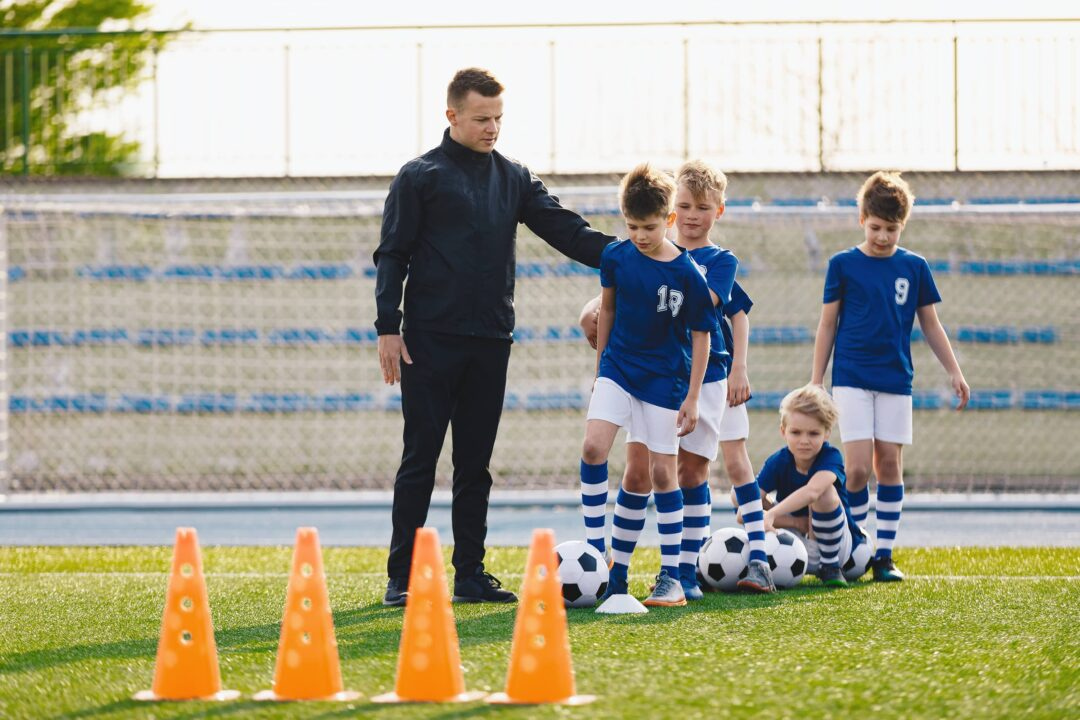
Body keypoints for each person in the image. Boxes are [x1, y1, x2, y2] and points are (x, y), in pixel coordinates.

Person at [374, 67, 616, 606]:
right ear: (452, 116)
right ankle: (403, 576)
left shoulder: (515, 178)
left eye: (499, 118)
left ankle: (469, 575)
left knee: (475, 463)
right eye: (482, 119)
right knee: (420, 457)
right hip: (428, 340)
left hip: (490, 339)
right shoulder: (419, 176)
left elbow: (565, 229)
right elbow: (392, 254)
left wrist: (630, 255)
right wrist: (388, 327)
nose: (492, 128)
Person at [579, 161, 775, 597]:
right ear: (672, 209)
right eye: (684, 204)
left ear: (717, 211)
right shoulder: (632, 252)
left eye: (701, 207)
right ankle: (614, 568)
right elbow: (620, 295)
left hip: (701, 378)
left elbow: (724, 313)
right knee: (637, 472)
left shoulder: (713, 264)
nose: (691, 214)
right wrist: (592, 311)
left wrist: (740, 366)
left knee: (691, 473)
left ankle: (687, 570)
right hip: (651, 372)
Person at [811, 172, 970, 582]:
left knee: (889, 465)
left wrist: (954, 371)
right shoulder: (842, 265)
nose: (883, 237)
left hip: (896, 380)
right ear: (861, 218)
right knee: (859, 467)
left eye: (892, 230)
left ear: (903, 225)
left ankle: (883, 556)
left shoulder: (914, 267)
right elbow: (828, 325)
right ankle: (852, 549)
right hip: (851, 378)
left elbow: (931, 325)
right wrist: (817, 379)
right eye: (876, 227)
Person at [580, 163, 717, 608]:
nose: (640, 235)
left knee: (661, 473)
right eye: (632, 226)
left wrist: (693, 396)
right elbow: (609, 312)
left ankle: (672, 576)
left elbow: (702, 335)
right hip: (618, 368)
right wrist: (602, 370)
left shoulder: (688, 273)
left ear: (669, 221)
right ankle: (598, 556)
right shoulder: (616, 257)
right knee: (593, 448)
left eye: (650, 227)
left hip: (664, 380)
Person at [748, 384, 863, 587]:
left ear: (827, 433)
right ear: (783, 432)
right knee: (743, 497)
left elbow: (813, 491)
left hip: (835, 548)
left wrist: (773, 515)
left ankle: (830, 568)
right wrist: (792, 522)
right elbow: (745, 510)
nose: (804, 441)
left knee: (826, 493)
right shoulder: (778, 461)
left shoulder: (831, 456)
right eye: (796, 432)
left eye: (813, 433)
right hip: (793, 542)